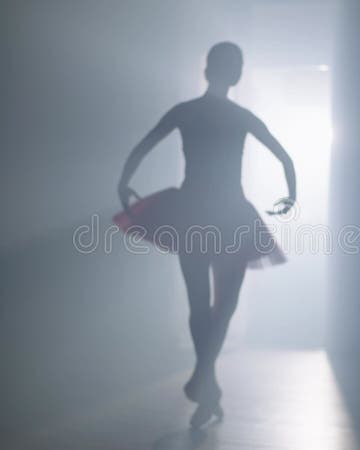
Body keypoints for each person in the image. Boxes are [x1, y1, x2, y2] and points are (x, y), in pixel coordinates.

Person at [116, 42, 296, 428]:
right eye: (238, 65)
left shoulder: (190, 112)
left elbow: (141, 148)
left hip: (197, 212)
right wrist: (291, 194)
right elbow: (284, 158)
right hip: (225, 214)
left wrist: (124, 182)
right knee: (220, 305)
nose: (240, 71)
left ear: (207, 71)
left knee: (203, 304)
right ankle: (205, 380)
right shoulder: (237, 116)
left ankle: (205, 379)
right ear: (228, 72)